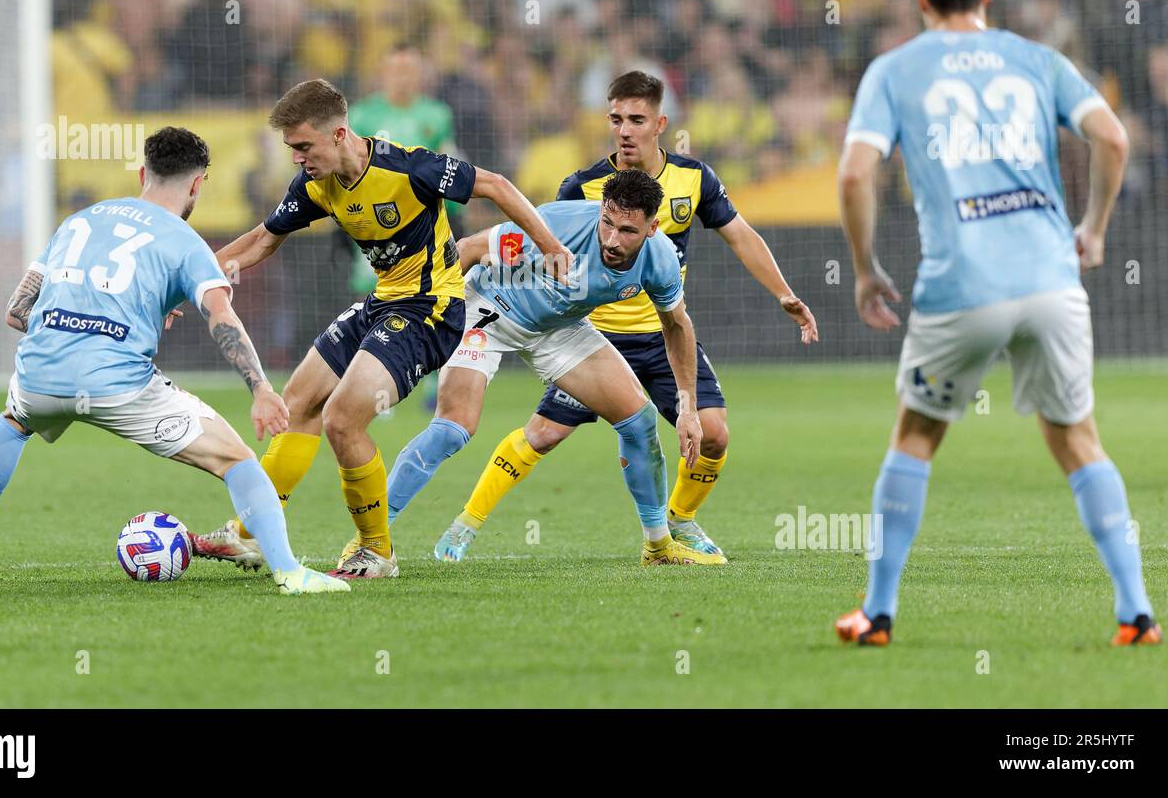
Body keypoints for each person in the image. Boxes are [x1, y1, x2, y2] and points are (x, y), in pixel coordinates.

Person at [833, 0, 1160, 647]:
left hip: (962, 285)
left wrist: (863, 268)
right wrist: (1095, 230)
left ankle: (879, 613)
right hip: (1050, 277)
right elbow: (1112, 137)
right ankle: (1136, 611)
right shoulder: (1036, 58)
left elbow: (856, 175)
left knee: (916, 435)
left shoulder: (895, 70)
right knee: (1077, 439)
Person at [426, 71, 817, 563]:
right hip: (598, 338)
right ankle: (466, 525)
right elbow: (533, 248)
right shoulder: (583, 188)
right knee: (544, 434)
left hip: (662, 335)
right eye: (616, 119)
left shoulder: (695, 178)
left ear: (660, 123)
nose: (625, 130)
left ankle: (679, 523)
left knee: (713, 432)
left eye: (637, 119)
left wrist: (783, 293)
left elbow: (741, 235)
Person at [0, 127, 346, 597]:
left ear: (142, 173)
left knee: (13, 422)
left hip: (39, 372)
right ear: (198, 185)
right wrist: (260, 389)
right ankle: (290, 573)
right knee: (238, 460)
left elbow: (17, 312)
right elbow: (221, 316)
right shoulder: (186, 241)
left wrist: (79, 328)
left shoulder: (79, 221)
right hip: (119, 385)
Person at [190, 79, 570, 579]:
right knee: (299, 400)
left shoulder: (410, 168)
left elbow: (496, 185)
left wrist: (550, 247)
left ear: (340, 134)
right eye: (292, 149)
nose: (298, 159)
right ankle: (249, 535)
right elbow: (263, 239)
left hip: (432, 310)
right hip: (383, 302)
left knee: (343, 420)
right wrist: (192, 279)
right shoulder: (314, 184)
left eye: (304, 146)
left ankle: (377, 552)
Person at [383, 167, 724, 566]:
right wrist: (428, 314)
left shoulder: (660, 260)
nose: (612, 240)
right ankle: (371, 539)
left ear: (652, 228)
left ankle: (658, 546)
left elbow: (677, 326)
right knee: (453, 429)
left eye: (627, 231)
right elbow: (471, 249)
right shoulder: (556, 225)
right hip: (488, 313)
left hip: (557, 328)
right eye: (608, 224)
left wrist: (687, 407)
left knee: (640, 422)